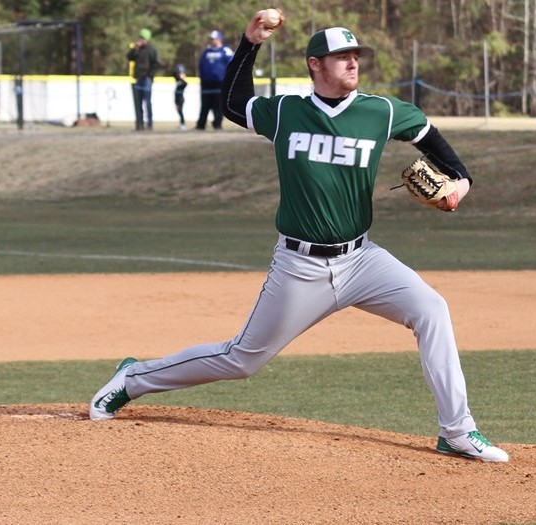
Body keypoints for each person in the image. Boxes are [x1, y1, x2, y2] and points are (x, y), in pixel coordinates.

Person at [90, 13, 509, 463]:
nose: (353, 63)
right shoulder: (287, 111)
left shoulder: (381, 112)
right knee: (241, 360)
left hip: (363, 260)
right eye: (341, 56)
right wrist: (249, 43)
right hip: (300, 266)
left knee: (432, 309)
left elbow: (436, 146)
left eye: (356, 55)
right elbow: (233, 104)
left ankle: (458, 431)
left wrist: (459, 184)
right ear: (315, 64)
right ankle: (133, 378)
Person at [195, 29, 233, 130]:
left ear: (219, 39)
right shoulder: (207, 52)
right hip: (206, 83)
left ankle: (217, 124)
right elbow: (201, 65)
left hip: (220, 83)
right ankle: (201, 125)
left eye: (214, 39)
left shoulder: (226, 51)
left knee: (218, 105)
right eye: (211, 39)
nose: (212, 41)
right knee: (205, 105)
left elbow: (232, 65)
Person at [127, 28, 161, 131]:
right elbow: (129, 57)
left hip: (147, 80)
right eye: (140, 38)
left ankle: (149, 124)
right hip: (137, 79)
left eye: (143, 38)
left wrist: (149, 76)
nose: (141, 40)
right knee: (137, 103)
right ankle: (139, 124)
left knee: (147, 102)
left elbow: (156, 64)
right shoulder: (137, 50)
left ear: (147, 39)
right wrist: (135, 49)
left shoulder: (152, 50)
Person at [173, 64, 188, 130]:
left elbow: (185, 83)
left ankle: (183, 124)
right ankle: (181, 123)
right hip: (176, 98)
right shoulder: (177, 80)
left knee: (180, 111)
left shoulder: (183, 83)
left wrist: (182, 78)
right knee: (179, 111)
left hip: (180, 98)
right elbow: (174, 75)